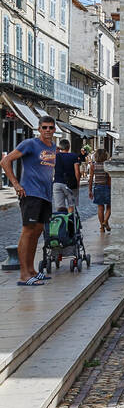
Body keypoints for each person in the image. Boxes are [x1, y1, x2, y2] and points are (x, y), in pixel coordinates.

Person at [0, 116, 57, 285]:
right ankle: (24, 274)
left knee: (37, 232)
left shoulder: (53, 147)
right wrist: (16, 184)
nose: (48, 130)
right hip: (31, 194)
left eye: (51, 128)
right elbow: (5, 161)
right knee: (27, 231)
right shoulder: (30, 144)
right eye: (44, 127)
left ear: (54, 130)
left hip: (45, 195)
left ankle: (32, 270)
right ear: (39, 129)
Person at [53, 138, 81, 218]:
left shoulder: (55, 156)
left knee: (60, 207)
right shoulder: (73, 156)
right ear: (68, 147)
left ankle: (62, 224)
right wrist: (77, 183)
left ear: (60, 147)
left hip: (57, 183)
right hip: (70, 185)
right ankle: (70, 222)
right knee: (71, 205)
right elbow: (77, 172)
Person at [89, 148, 112, 232]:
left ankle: (102, 228)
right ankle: (105, 221)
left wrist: (90, 190)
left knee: (100, 207)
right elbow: (109, 178)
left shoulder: (93, 165)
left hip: (97, 187)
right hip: (106, 187)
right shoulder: (107, 165)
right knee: (109, 206)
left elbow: (91, 178)